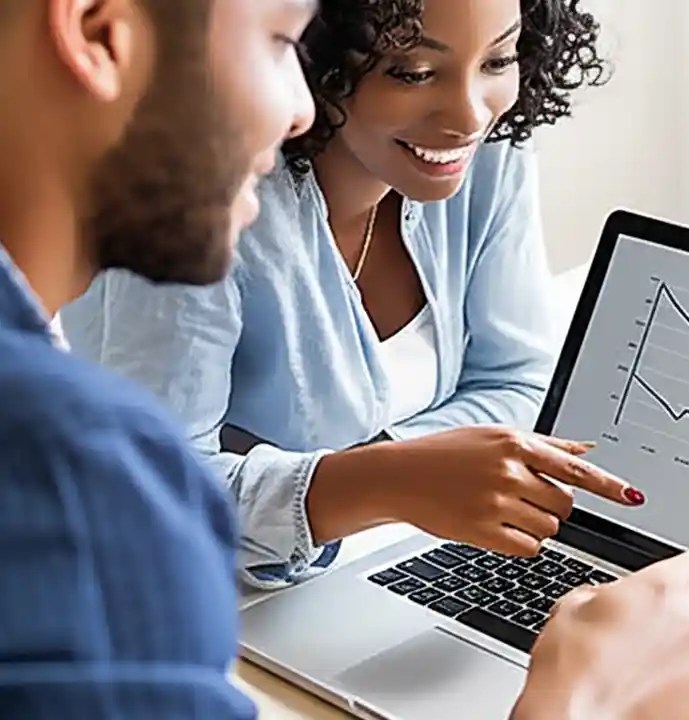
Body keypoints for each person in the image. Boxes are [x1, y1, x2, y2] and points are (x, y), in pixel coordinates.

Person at [1, 0, 689, 717]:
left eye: (498, 59)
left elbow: (518, 379)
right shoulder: (76, 482)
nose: (299, 105)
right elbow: (166, 494)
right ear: (99, 32)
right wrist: (582, 705)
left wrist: (395, 481)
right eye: (277, 40)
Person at [60, 0, 623, 589]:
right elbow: (146, 495)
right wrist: (390, 483)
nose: (468, 115)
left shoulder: (487, 154)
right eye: (413, 73)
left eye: (498, 59)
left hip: (386, 565)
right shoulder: (199, 200)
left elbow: (521, 383)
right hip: (200, 606)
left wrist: (377, 476)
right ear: (315, 55)